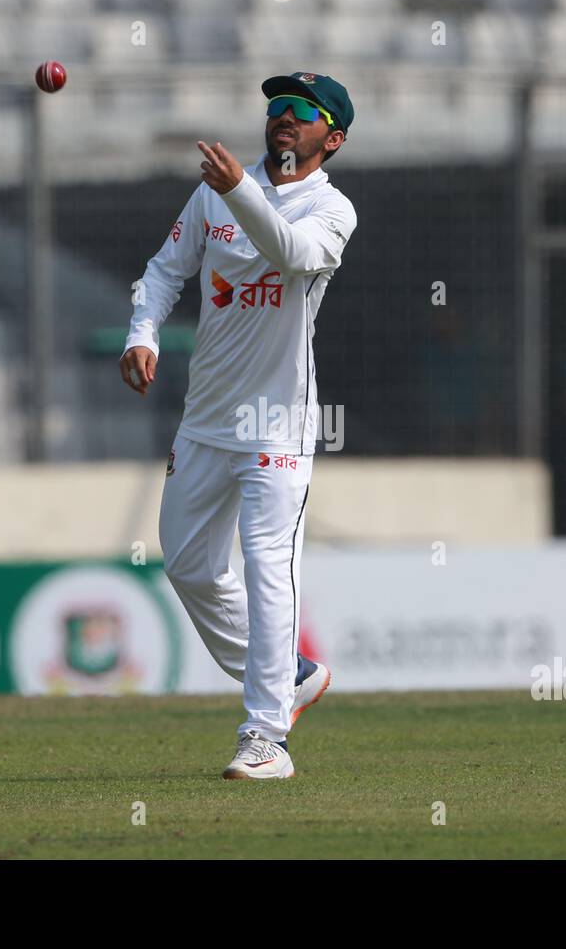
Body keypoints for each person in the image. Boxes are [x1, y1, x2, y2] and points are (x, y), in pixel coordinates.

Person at [119, 73, 358, 780]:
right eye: (276, 106)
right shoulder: (214, 195)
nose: (282, 116)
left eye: (302, 111)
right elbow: (165, 272)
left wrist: (237, 191)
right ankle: (289, 673)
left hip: (277, 426)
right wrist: (145, 334)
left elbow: (290, 254)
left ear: (332, 138)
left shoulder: (333, 210)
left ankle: (267, 739)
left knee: (268, 569)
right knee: (188, 563)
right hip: (207, 418)